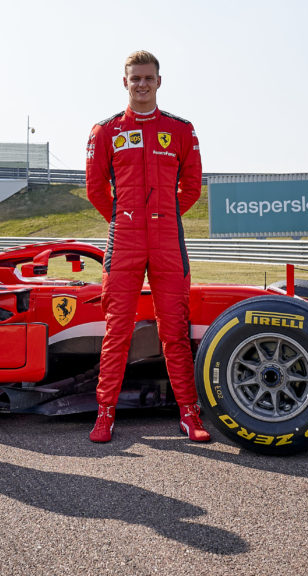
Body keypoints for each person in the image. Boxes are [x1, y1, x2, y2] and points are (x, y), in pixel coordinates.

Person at [84, 50, 210, 443]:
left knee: (174, 328)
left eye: (148, 78)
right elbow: (94, 190)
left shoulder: (182, 130)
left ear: (159, 81)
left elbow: (191, 188)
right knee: (116, 329)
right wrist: (125, 218)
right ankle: (104, 413)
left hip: (168, 240)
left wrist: (163, 216)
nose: (141, 84)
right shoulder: (105, 131)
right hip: (123, 240)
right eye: (134, 78)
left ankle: (190, 413)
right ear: (125, 82)